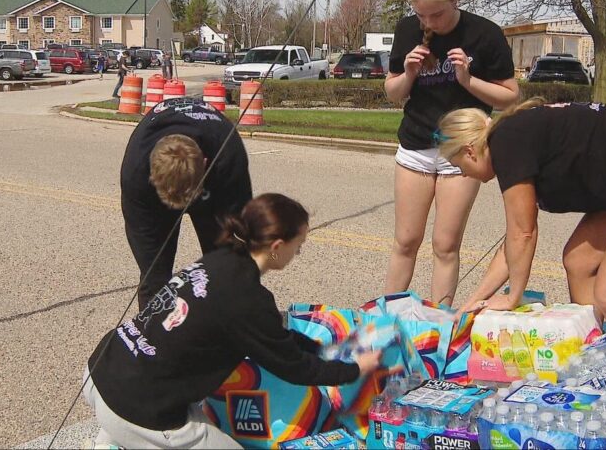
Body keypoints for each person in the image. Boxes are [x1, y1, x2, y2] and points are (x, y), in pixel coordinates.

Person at [84, 193, 383, 449]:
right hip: (137, 409)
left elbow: (275, 338)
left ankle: (112, 439)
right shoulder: (248, 298)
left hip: (101, 371)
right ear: (277, 247)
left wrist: (323, 349)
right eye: (299, 244)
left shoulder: (220, 260)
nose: (299, 252)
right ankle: (125, 436)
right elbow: (295, 367)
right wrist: (356, 369)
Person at [438, 100, 606, 327]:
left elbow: (524, 233)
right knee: (580, 261)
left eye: (457, 165)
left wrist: (512, 297)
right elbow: (513, 243)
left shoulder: (506, 143)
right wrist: (470, 306)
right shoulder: (510, 137)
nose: (462, 173)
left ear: (469, 151)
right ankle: (597, 353)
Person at [383, 0, 519, 307]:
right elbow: (392, 93)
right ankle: (385, 319)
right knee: (405, 241)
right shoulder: (406, 30)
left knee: (445, 245)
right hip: (415, 145)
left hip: (462, 151)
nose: (429, 23)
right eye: (421, 15)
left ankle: (439, 321)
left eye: (437, 14)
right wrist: (410, 73)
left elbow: (510, 96)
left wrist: (468, 80)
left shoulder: (485, 34)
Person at [121, 97, 252, 310]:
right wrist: (156, 286)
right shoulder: (136, 170)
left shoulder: (228, 155)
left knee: (227, 270)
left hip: (215, 190)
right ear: (151, 174)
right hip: (157, 196)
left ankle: (226, 328)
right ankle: (154, 336)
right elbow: (143, 239)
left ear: (205, 163)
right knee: (153, 280)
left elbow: (241, 228)